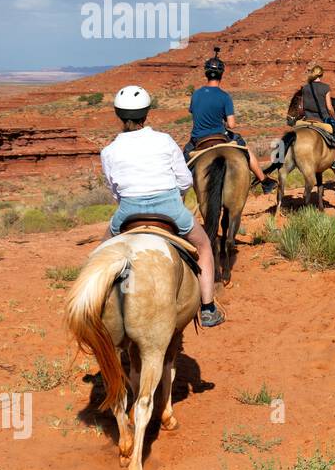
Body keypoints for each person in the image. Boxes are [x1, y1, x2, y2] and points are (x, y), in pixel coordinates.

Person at [100, 85, 225, 328]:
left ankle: (97, 307)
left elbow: (114, 189)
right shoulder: (164, 141)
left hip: (128, 211)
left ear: (118, 114)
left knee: (100, 254)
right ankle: (208, 307)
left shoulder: (109, 151)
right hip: (169, 208)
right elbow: (185, 180)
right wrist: (176, 197)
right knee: (204, 246)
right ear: (147, 114)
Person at [187, 47, 277, 194]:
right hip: (220, 135)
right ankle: (264, 181)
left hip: (198, 138)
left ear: (206, 74)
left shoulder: (196, 94)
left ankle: (180, 194)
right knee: (245, 149)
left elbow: (194, 114)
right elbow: (231, 124)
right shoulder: (224, 96)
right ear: (221, 75)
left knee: (184, 159)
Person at [301, 64, 335, 171]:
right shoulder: (325, 87)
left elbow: (302, 107)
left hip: (307, 118)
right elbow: (329, 107)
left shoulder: (305, 88)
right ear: (321, 74)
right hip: (323, 119)